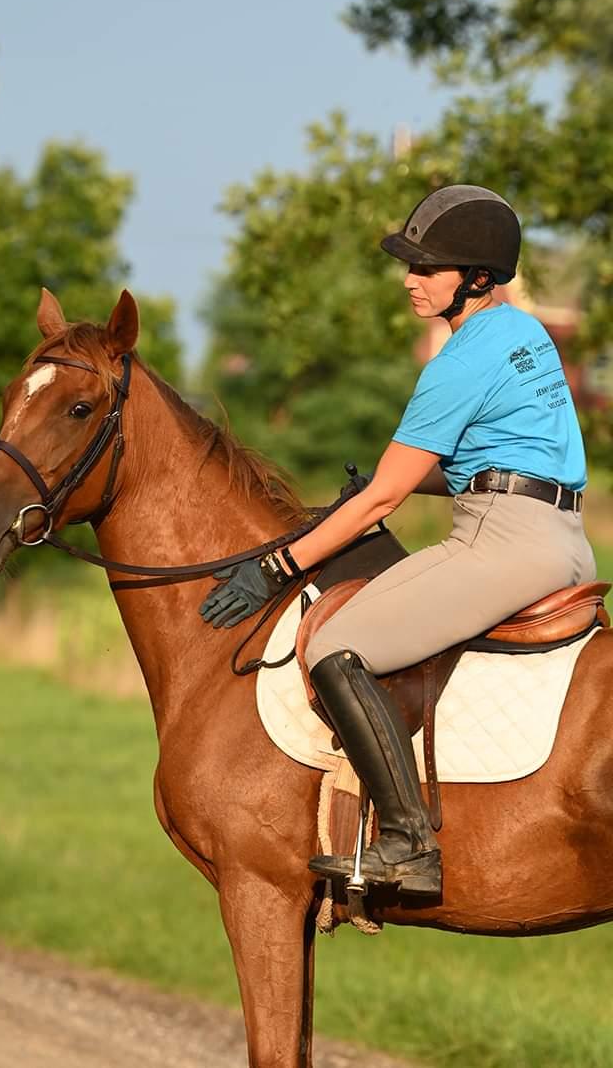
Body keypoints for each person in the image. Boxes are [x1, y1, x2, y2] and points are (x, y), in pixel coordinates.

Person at [200, 184, 597, 898]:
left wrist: (278, 562)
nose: (411, 281)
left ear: (476, 277)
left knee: (333, 645)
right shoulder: (524, 336)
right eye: (410, 266)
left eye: (427, 268)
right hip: (563, 539)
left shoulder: (457, 363)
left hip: (502, 548)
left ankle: (407, 844)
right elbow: (492, 468)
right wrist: (398, 485)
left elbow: (385, 494)